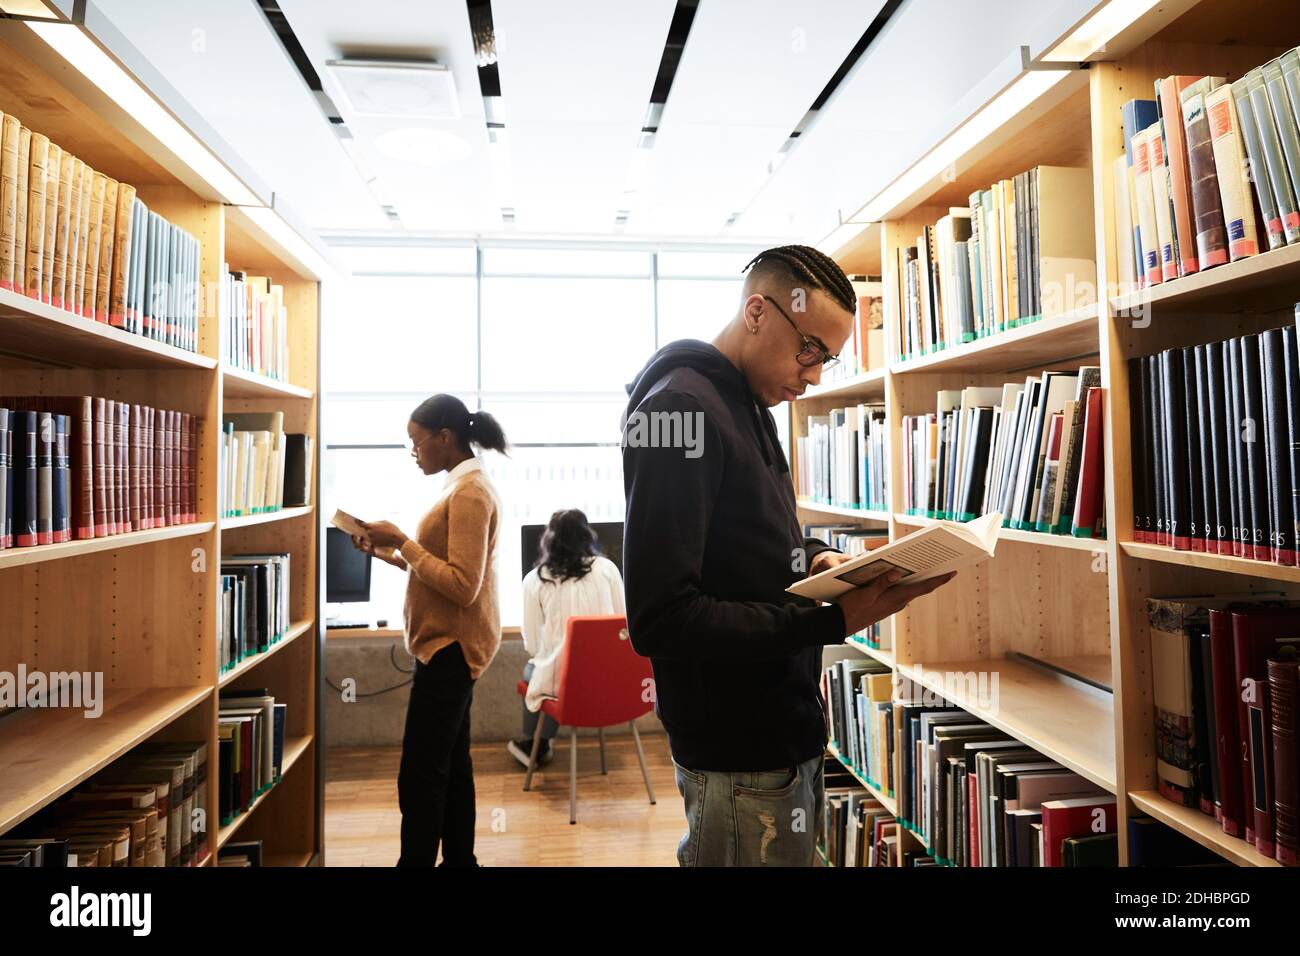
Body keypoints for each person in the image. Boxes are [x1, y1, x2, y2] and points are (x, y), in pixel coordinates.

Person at [621, 244, 957, 867]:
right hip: (738, 748)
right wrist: (830, 621)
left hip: (780, 725)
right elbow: (661, 618)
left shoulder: (747, 402)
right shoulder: (680, 410)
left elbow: (757, 540)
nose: (814, 376)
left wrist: (822, 558)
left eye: (827, 359)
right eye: (810, 350)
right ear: (757, 312)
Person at [354, 394, 507, 867]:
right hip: (449, 646)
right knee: (451, 767)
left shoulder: (469, 494)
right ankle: (461, 861)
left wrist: (402, 539)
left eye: (416, 443)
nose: (413, 452)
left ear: (445, 438)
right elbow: (446, 572)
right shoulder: (460, 488)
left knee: (420, 775)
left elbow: (463, 586)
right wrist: (395, 557)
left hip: (451, 649)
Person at [510, 508, 626, 768]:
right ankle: (538, 744)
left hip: (561, 687)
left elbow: (532, 646)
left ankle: (536, 744)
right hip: (611, 681)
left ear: (548, 539)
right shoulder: (608, 569)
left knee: (537, 669)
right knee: (554, 668)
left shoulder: (535, 580)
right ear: (588, 536)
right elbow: (622, 625)